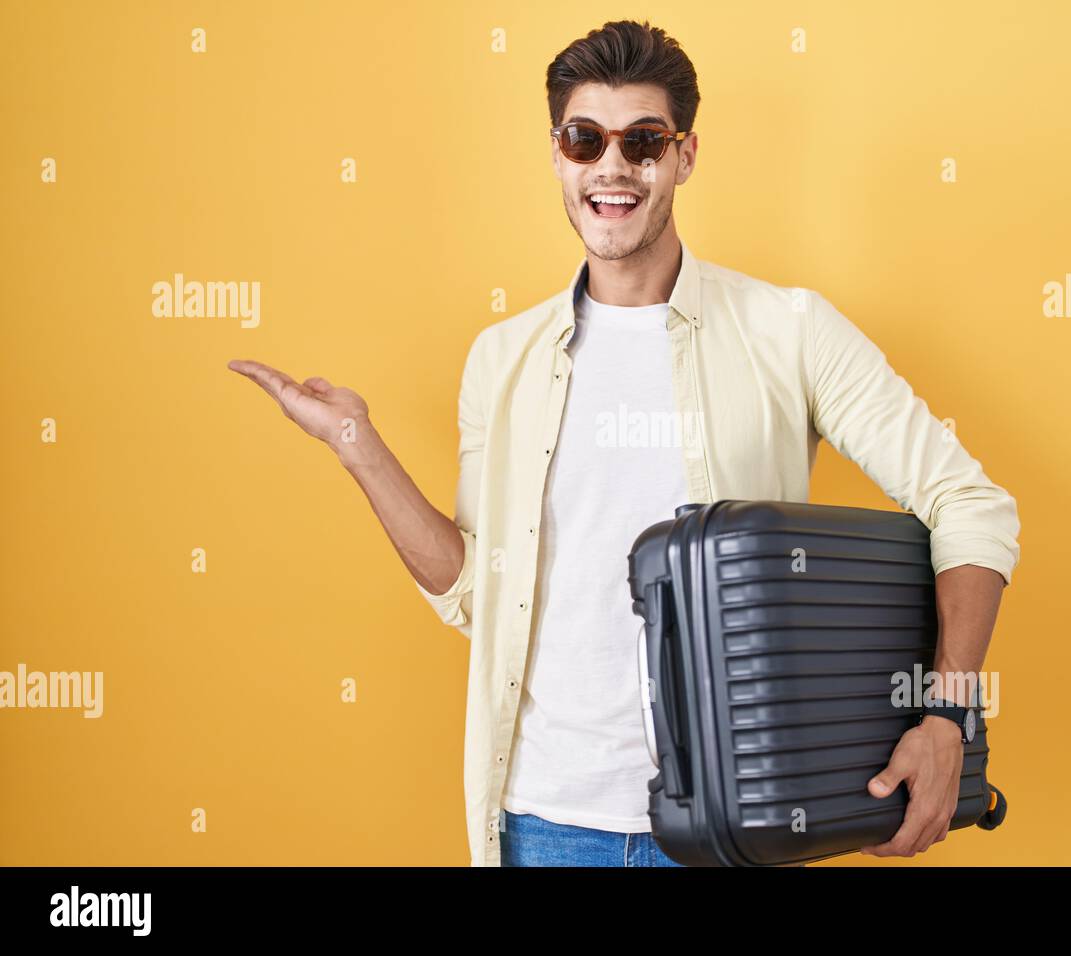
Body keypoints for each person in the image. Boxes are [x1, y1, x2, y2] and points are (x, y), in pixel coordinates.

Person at [229, 19, 1020, 868]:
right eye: (585, 139)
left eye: (643, 142)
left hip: (730, 824)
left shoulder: (790, 332)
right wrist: (357, 443)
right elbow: (474, 594)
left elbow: (969, 503)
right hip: (544, 822)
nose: (612, 166)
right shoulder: (501, 359)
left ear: (684, 156)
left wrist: (949, 714)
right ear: (558, 154)